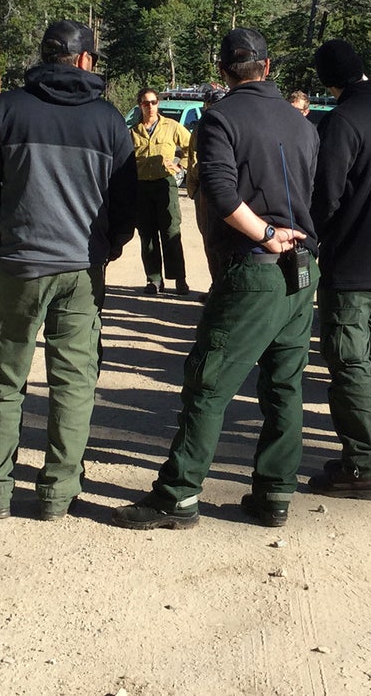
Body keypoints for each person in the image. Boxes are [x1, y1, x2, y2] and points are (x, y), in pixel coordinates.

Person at [114, 27, 319, 530]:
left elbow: (223, 195)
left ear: (225, 73)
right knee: (284, 386)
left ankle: (178, 495)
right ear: (267, 68)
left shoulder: (220, 118)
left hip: (257, 266)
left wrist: (266, 232)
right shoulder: (304, 125)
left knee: (209, 382)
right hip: (303, 270)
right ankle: (275, 494)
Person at [0, 20, 136, 521]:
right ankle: (58, 492)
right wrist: (108, 246)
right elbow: (127, 202)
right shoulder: (108, 120)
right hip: (81, 270)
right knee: (75, 382)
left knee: (0, 379)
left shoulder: (8, 109)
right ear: (84, 61)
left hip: (19, 265)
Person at [307, 39, 371, 500]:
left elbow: (326, 193)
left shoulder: (343, 120)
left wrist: (312, 236)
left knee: (349, 363)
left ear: (329, 80)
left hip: (350, 263)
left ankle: (361, 464)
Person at [131, 86, 191, 295]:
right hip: (140, 188)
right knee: (147, 236)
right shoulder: (133, 130)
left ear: (158, 103)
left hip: (165, 185)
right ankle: (154, 280)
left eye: (153, 102)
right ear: (140, 105)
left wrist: (181, 166)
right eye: (146, 103)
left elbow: (191, 146)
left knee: (171, 232)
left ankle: (179, 279)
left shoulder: (171, 126)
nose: (150, 107)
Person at [185, 85, 227, 283]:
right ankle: (215, 286)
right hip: (204, 190)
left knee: (225, 241)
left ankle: (224, 288)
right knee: (208, 240)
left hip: (227, 190)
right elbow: (192, 157)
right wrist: (194, 188)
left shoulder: (229, 124)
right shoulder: (200, 127)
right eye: (211, 103)